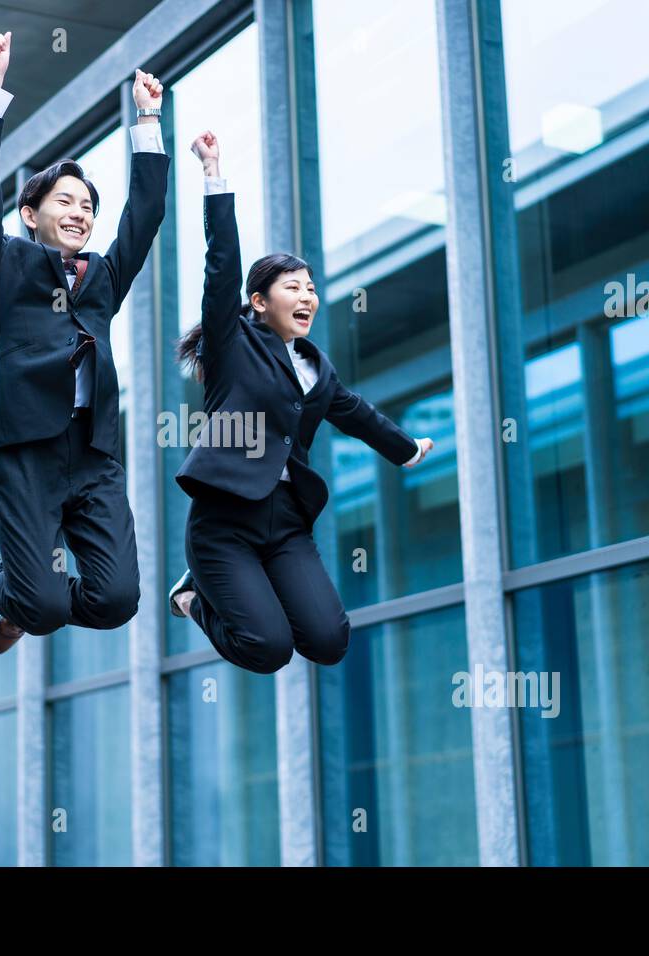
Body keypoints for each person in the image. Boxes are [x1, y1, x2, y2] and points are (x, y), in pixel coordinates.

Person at [168, 130, 434, 674]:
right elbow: (221, 271)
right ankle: (193, 598)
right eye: (293, 287)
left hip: (286, 520)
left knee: (328, 641)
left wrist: (407, 450)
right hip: (225, 519)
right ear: (260, 302)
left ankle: (220, 590)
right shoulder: (232, 346)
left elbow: (357, 413)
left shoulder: (317, 368)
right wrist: (214, 174)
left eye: (310, 287)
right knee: (267, 648)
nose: (307, 296)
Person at [0, 30, 170, 654]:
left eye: (88, 207)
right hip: (26, 450)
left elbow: (146, 216)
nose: (80, 213)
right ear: (31, 213)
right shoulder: (5, 266)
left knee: (118, 599)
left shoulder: (102, 276)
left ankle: (23, 595)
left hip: (94, 451)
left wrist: (148, 121)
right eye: (65, 201)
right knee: (44, 605)